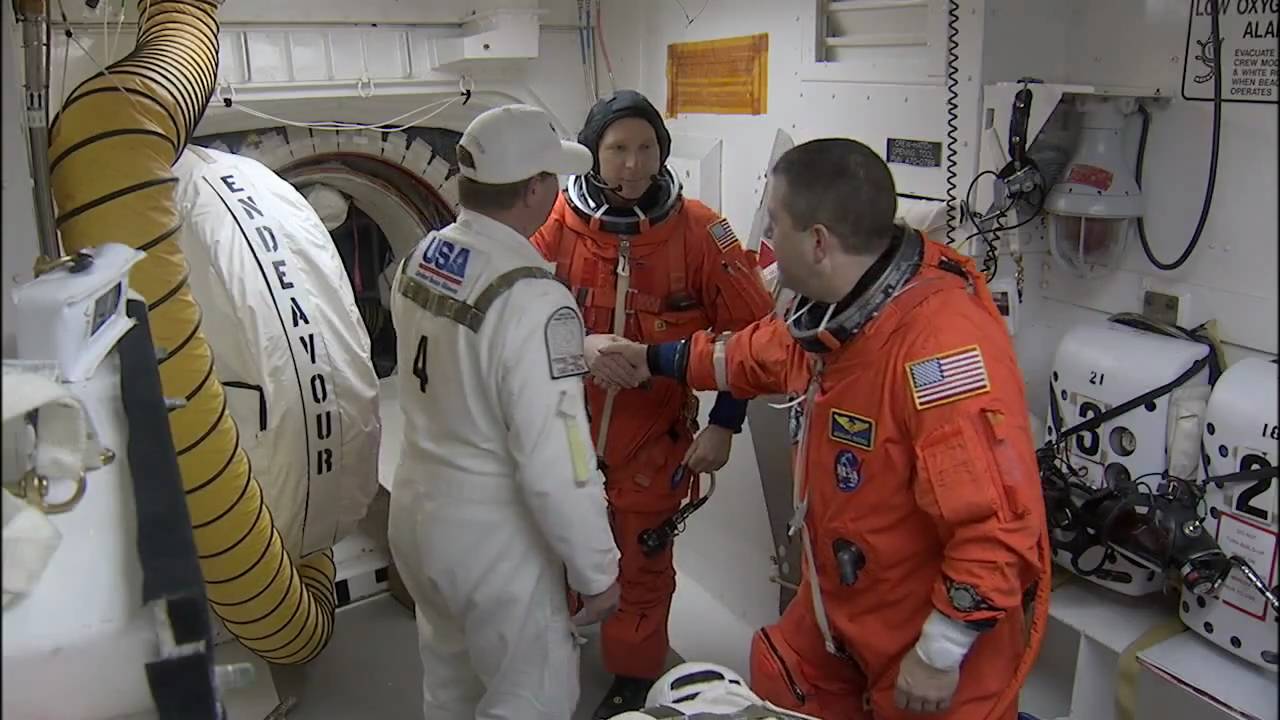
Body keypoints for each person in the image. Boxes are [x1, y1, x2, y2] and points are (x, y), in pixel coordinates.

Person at [597, 138, 1051, 720]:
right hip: (845, 605)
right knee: (784, 671)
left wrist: (940, 652)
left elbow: (998, 527)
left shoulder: (940, 351)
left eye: (775, 225)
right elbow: (759, 354)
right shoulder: (840, 317)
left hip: (925, 642)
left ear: (816, 241)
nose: (768, 241)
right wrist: (653, 360)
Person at [530, 89, 776, 717]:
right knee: (556, 545)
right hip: (566, 428)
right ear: (592, 154)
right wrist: (580, 343)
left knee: (642, 565)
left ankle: (634, 678)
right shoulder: (557, 223)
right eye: (617, 150)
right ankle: (554, 643)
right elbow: (514, 310)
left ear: (662, 153)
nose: (632, 165)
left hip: (652, 436)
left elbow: (755, 339)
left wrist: (725, 423)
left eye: (645, 149)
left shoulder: (700, 233)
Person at [386, 103, 622, 720]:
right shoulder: (534, 299)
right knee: (532, 696)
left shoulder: (421, 257)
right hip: (491, 540)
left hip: (416, 513)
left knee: (451, 684)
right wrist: (598, 571)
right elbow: (559, 464)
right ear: (538, 188)